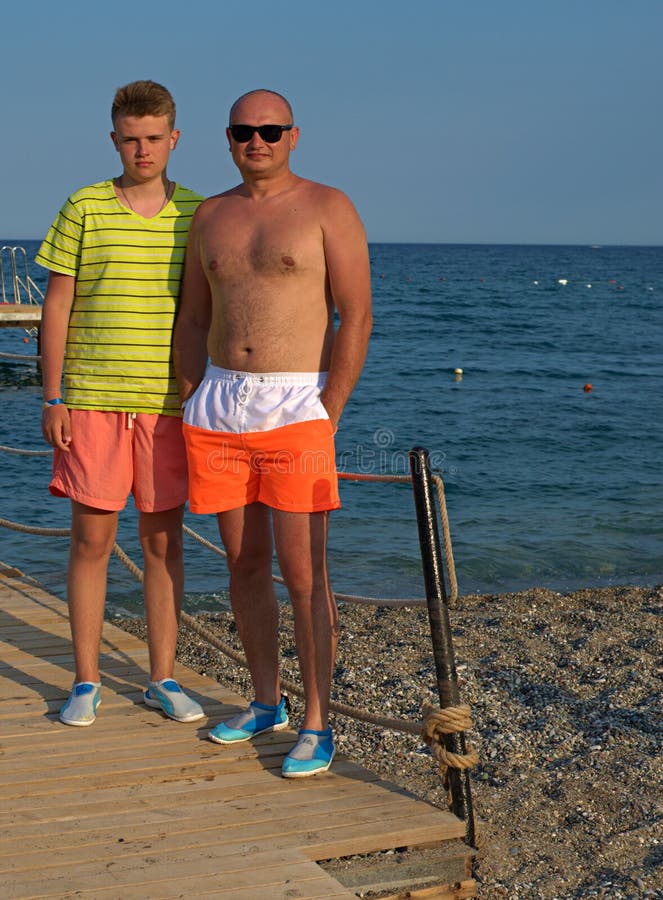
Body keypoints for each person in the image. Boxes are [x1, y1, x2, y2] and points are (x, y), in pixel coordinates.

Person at [173, 89, 372, 777]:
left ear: (292, 134)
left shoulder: (327, 207)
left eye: (269, 130)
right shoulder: (211, 215)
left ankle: (317, 721)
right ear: (227, 138)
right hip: (220, 405)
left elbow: (355, 315)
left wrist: (329, 408)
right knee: (244, 565)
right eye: (242, 131)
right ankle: (266, 701)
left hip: (296, 407)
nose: (255, 141)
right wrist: (189, 391)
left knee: (304, 573)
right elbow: (193, 317)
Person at [37, 80, 205, 727]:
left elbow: (209, 311)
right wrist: (54, 396)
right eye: (130, 139)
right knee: (91, 539)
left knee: (164, 544)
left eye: (153, 138)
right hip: (92, 402)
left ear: (173, 139)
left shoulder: (197, 212)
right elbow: (56, 305)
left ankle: (162, 677)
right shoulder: (83, 206)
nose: (142, 150)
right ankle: (85, 682)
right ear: (114, 140)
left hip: (168, 408)